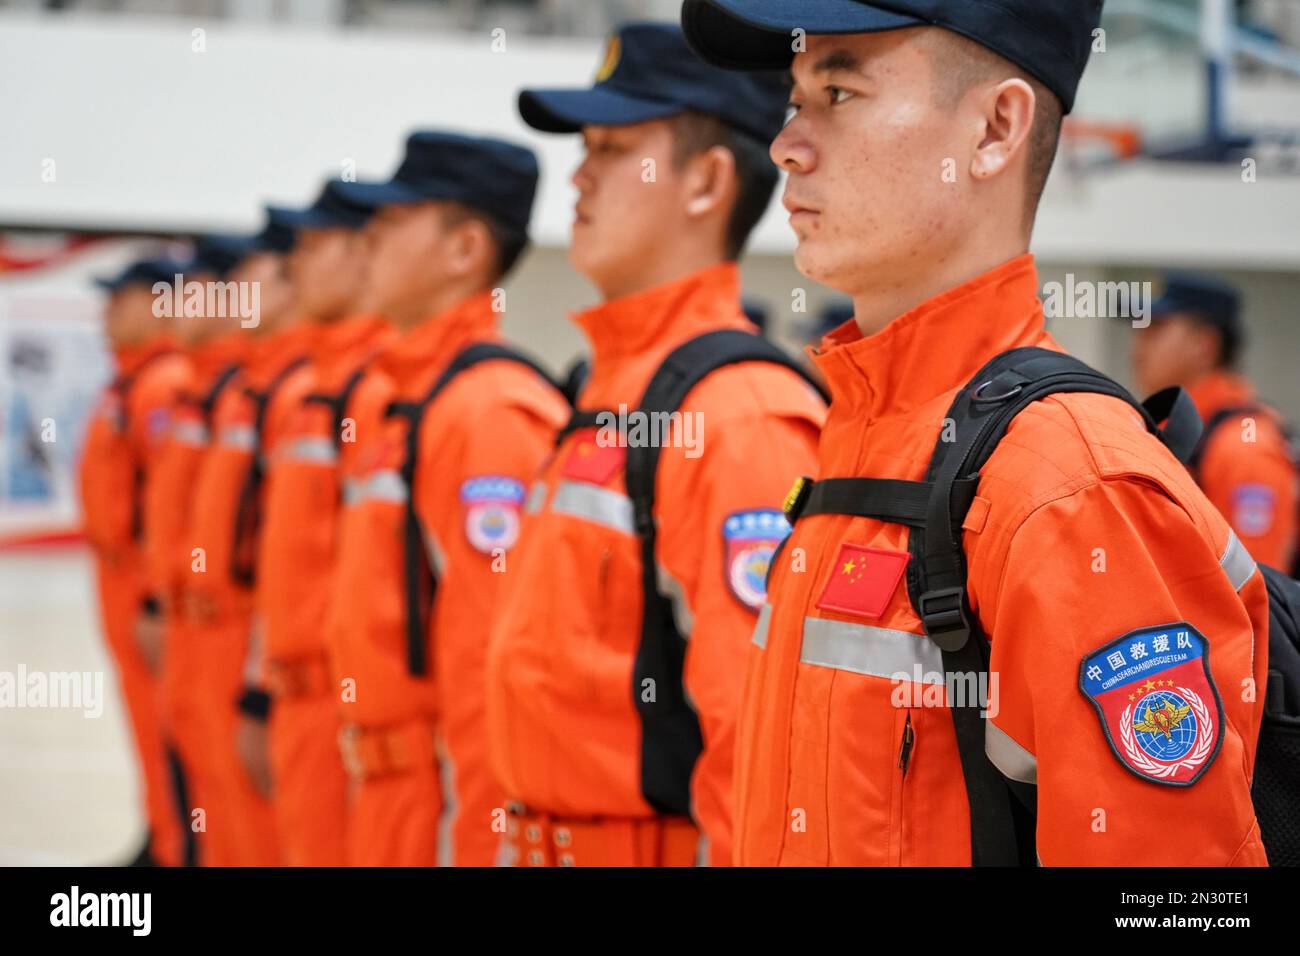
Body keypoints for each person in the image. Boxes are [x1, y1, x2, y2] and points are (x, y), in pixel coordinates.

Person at [682, 0, 1270, 865]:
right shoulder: (859, 446)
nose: (787, 145)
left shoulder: (1070, 489)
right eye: (793, 98)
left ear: (995, 130)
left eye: (839, 93)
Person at [486, 21, 826, 867]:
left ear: (707, 182)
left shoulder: (738, 415)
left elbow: (755, 749)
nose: (579, 175)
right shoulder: (603, 390)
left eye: (611, 147)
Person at [323, 131, 569, 866]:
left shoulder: (487, 412)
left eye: (394, 222)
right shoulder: (408, 399)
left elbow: (494, 683)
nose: (367, 241)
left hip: (444, 797)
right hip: (385, 785)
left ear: (464, 251)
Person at [241, 180, 394, 867]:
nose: (295, 262)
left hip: (350, 711)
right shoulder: (314, 389)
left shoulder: (387, 392)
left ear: (366, 253)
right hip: (296, 695)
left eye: (312, 244)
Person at [182, 218, 303, 865]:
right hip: (213, 629)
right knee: (220, 817)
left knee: (262, 833)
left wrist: (259, 686)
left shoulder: (302, 394)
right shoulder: (248, 391)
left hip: (262, 647)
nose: (227, 294)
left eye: (240, 277)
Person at [83, 257, 191, 866]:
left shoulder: (162, 385)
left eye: (121, 300)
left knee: (167, 732)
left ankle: (171, 845)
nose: (108, 315)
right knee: (148, 733)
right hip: (119, 580)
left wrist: (155, 598)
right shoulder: (130, 382)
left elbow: (170, 508)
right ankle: (159, 835)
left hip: (145, 591)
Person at [143, 243, 246, 867]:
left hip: (234, 631)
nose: (178, 305)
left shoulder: (243, 392)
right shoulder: (205, 390)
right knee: (196, 781)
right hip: (181, 608)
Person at [1132, 273, 1297, 572]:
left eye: (1155, 329)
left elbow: (1260, 591)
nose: (1137, 346)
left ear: (1203, 344)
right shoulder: (1172, 428)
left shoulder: (1243, 446)